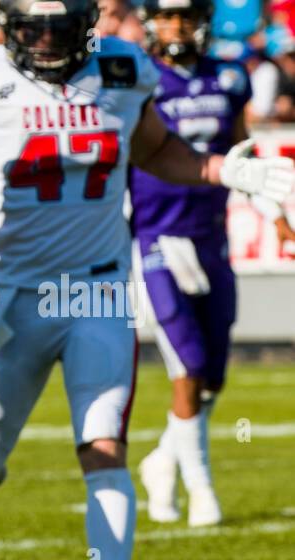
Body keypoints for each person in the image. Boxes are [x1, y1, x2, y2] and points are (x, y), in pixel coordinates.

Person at [0, 0, 295, 560]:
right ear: (11, 25)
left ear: (84, 25)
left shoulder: (120, 72)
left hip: (98, 291)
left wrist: (226, 170)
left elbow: (160, 151)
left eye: (59, 27)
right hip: (18, 299)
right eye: (33, 27)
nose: (46, 40)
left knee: (103, 445)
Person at [131, 0, 256, 527]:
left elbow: (243, 154)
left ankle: (161, 461)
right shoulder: (135, 78)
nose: (175, 26)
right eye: (166, 15)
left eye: (184, 16)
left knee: (212, 379)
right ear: (149, 20)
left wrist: (272, 209)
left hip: (211, 236)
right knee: (186, 365)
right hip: (158, 237)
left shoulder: (226, 77)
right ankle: (200, 490)